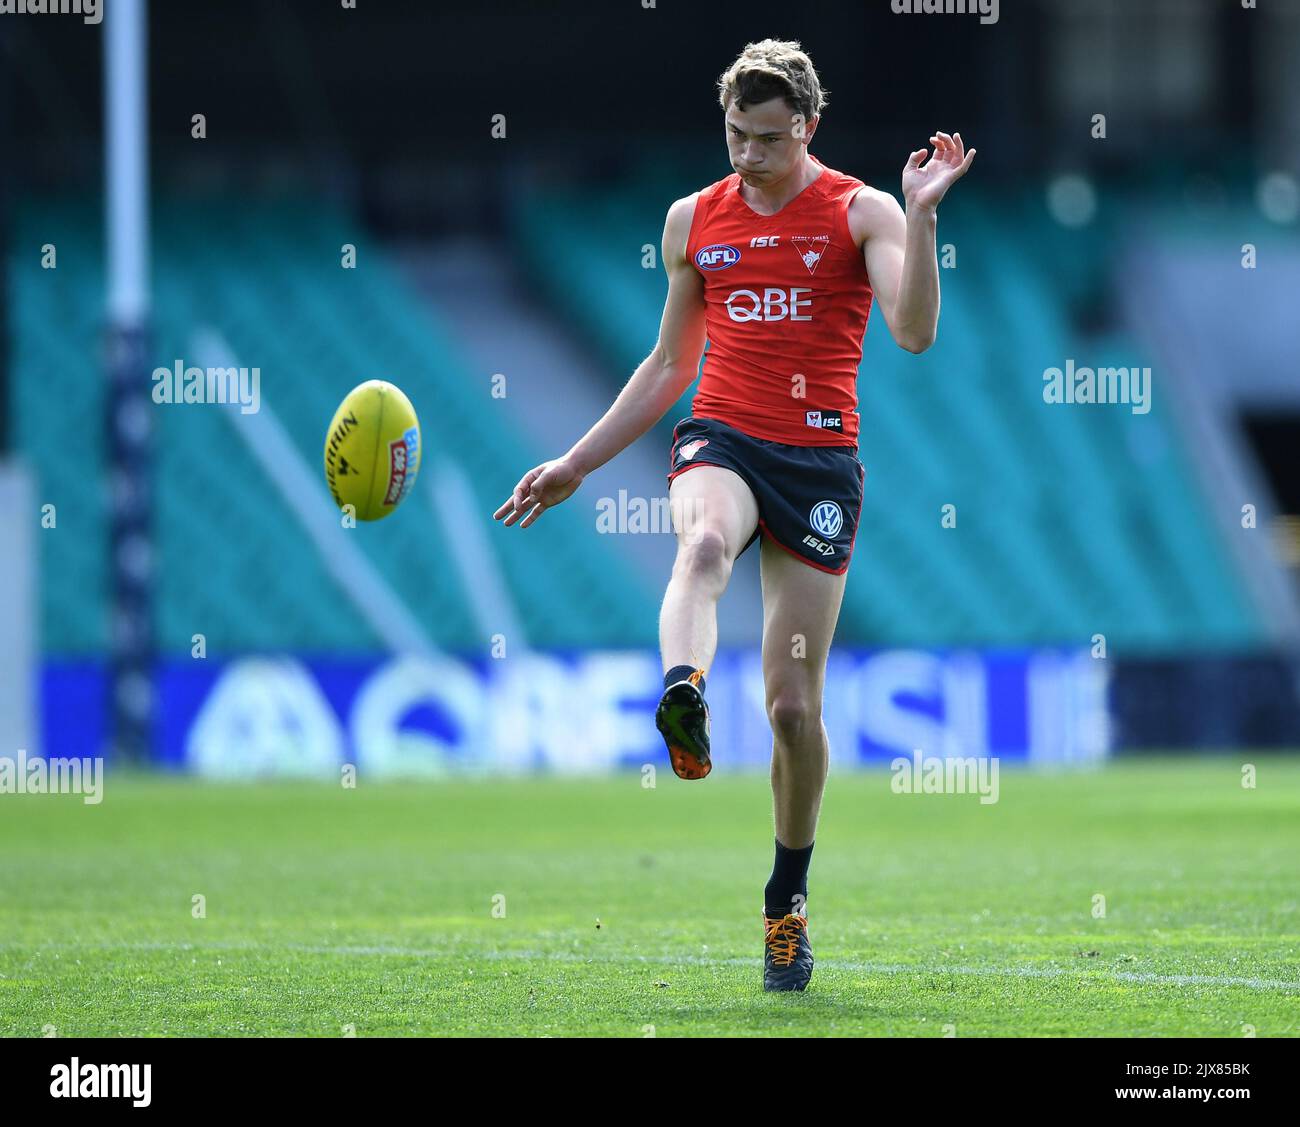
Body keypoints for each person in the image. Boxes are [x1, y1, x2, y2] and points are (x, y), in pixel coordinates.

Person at [494, 38, 974, 991]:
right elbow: (670, 366)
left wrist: (921, 220)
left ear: (808, 127)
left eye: (765, 139)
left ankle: (785, 902)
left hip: (821, 462)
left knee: (795, 708)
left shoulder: (861, 209)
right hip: (722, 435)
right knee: (703, 542)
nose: (746, 156)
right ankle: (683, 691)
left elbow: (914, 333)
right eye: (733, 135)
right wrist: (578, 464)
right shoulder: (693, 221)